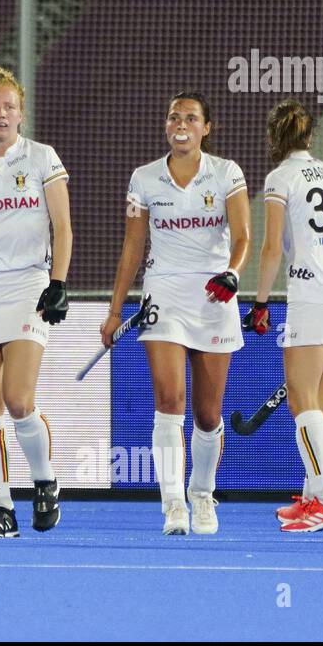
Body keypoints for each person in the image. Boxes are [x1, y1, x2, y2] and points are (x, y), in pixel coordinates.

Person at [102, 92, 250, 535]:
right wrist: (114, 311)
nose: (180, 123)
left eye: (191, 117)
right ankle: (173, 505)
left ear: (207, 127)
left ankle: (202, 495)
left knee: (208, 415)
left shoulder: (227, 174)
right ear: (165, 126)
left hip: (214, 297)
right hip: (163, 296)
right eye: (173, 117)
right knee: (169, 404)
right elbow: (133, 248)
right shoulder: (144, 179)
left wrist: (232, 274)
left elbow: (242, 236)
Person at [0, 63, 72, 538]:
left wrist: (58, 282)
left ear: (21, 114)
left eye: (9, 107)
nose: (0, 114)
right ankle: (1, 506)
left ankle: (45, 480)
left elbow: (62, 227)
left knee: (18, 399)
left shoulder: (42, 158)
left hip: (28, 286)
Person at [244, 98, 323, 532]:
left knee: (301, 400)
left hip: (310, 299)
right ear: (309, 136)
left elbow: (272, 247)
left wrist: (259, 303)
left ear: (275, 138)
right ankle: (314, 492)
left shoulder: (281, 178)